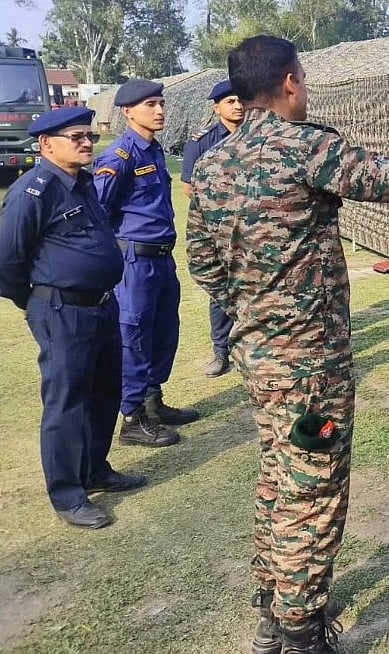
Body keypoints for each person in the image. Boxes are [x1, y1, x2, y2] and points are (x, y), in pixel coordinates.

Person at [187, 35, 389, 654]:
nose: (306, 90)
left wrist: (255, 310)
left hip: (260, 358)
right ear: (287, 83)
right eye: (303, 79)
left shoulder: (212, 164)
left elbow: (203, 263)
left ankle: (272, 607)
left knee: (280, 476)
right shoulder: (308, 147)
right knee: (313, 489)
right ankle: (301, 636)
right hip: (311, 369)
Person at [0, 108, 146, 529]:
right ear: (46, 145)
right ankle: (67, 493)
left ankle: (95, 469)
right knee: (66, 401)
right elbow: (8, 260)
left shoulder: (83, 183)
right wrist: (34, 304)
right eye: (76, 137)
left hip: (101, 305)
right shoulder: (34, 191)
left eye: (88, 135)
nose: (86, 142)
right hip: (61, 309)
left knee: (104, 391)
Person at [93, 79, 193, 448]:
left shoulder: (154, 149)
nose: (160, 110)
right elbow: (98, 212)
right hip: (134, 261)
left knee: (164, 330)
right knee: (133, 335)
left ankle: (153, 401)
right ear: (128, 112)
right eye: (150, 104)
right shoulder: (119, 156)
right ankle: (131, 418)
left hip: (161, 260)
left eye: (161, 103)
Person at [181, 79, 244, 378]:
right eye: (230, 102)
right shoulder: (202, 141)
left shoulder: (256, 135)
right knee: (221, 291)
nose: (238, 106)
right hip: (218, 228)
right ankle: (221, 352)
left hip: (253, 228)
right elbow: (187, 187)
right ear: (217, 107)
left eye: (240, 100)